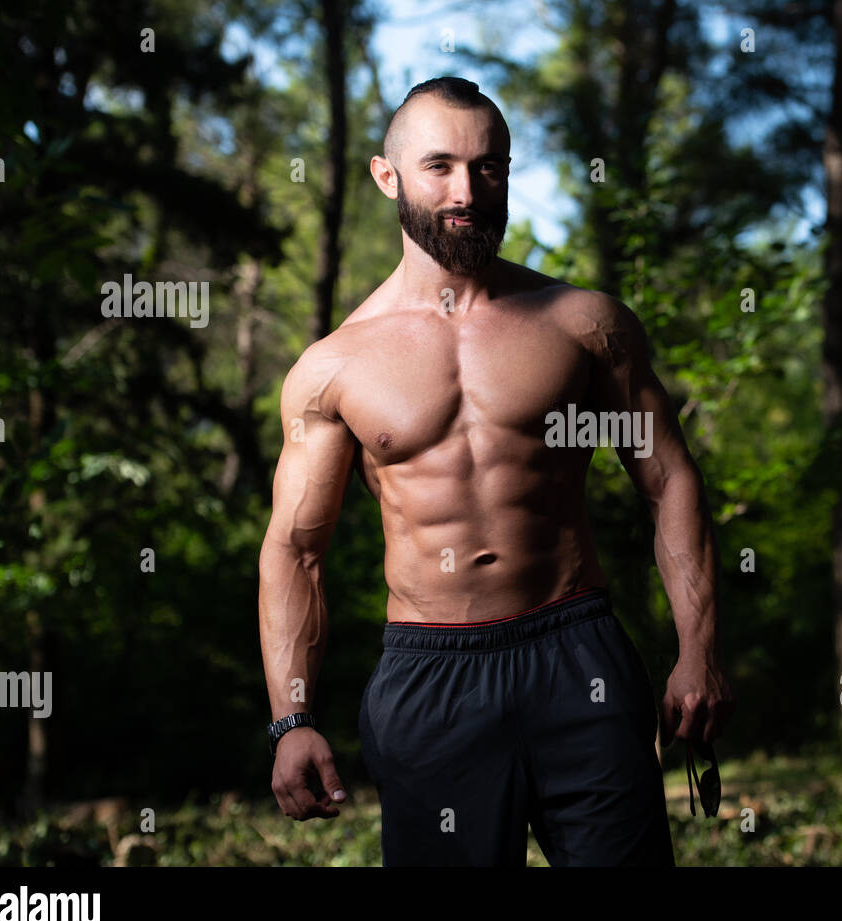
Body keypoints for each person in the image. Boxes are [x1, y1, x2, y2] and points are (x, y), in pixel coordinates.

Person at [258, 76, 735, 866]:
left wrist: (700, 648)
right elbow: (294, 550)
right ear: (388, 177)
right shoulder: (334, 367)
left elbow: (669, 480)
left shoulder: (585, 325)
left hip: (576, 651)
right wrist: (291, 718)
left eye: (489, 167)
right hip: (430, 678)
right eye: (439, 165)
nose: (467, 191)